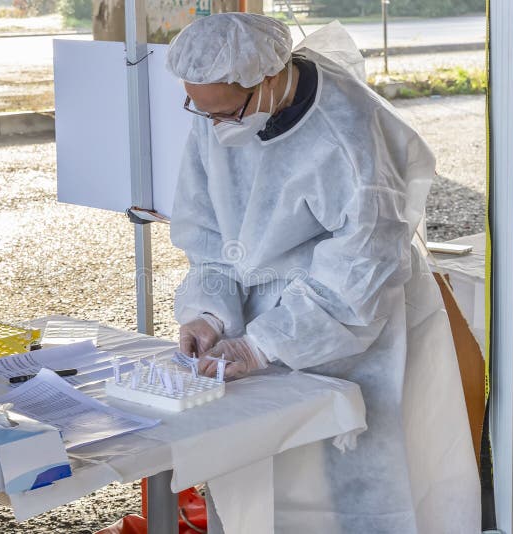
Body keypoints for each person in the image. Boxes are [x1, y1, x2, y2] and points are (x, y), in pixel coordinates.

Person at [167, 13, 481, 533]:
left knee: (358, 486)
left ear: (267, 79)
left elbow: (361, 273)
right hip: (266, 327)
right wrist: (208, 310)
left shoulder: (348, 131)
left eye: (224, 112)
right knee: (258, 483)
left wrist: (261, 344)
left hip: (357, 331)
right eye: (201, 111)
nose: (215, 126)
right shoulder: (219, 114)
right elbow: (208, 234)